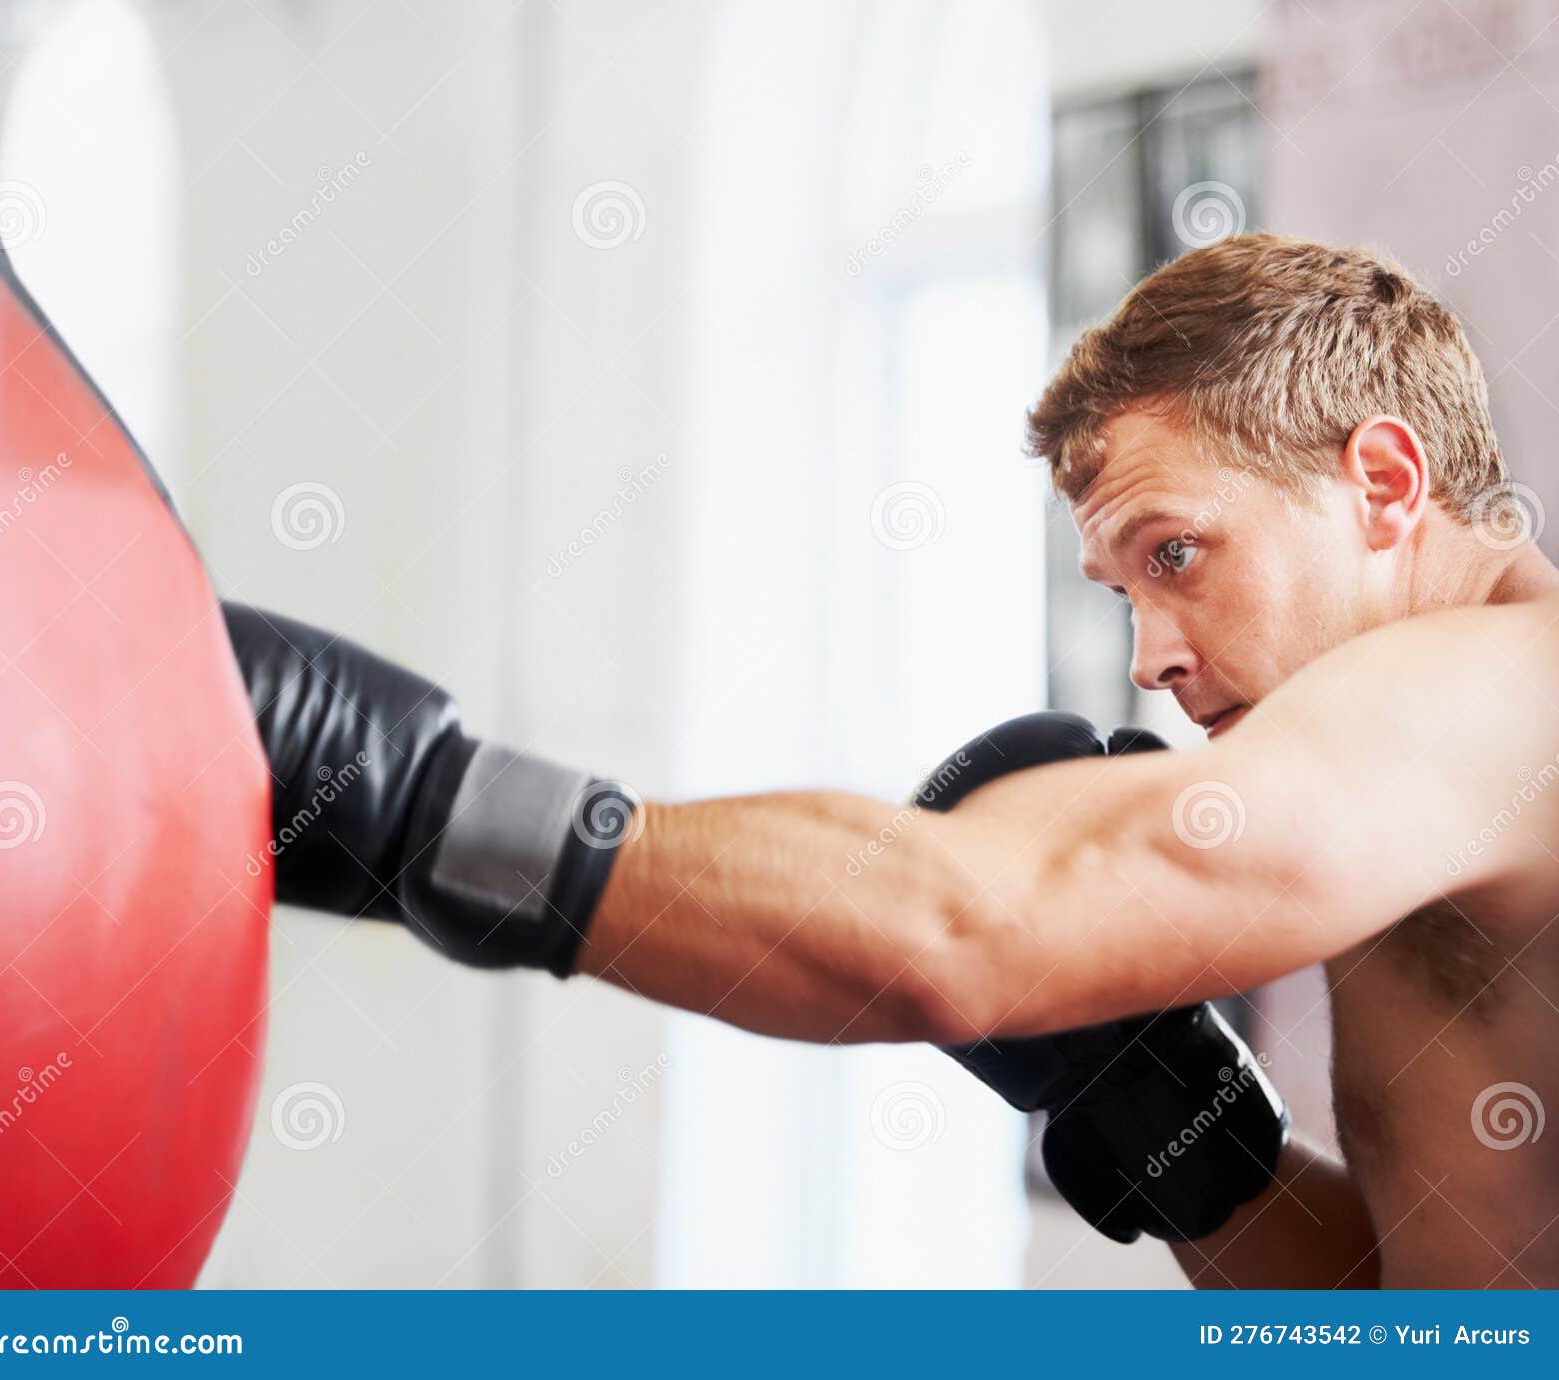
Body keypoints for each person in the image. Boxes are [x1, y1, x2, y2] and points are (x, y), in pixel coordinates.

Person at [567, 236, 1559, 1288]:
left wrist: (446, 818)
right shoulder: (1411, 778)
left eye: (1174, 553)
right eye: (1124, 590)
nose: (1149, 659)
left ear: (1384, 482)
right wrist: (1180, 1141)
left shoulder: (1510, 690)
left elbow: (963, 922)